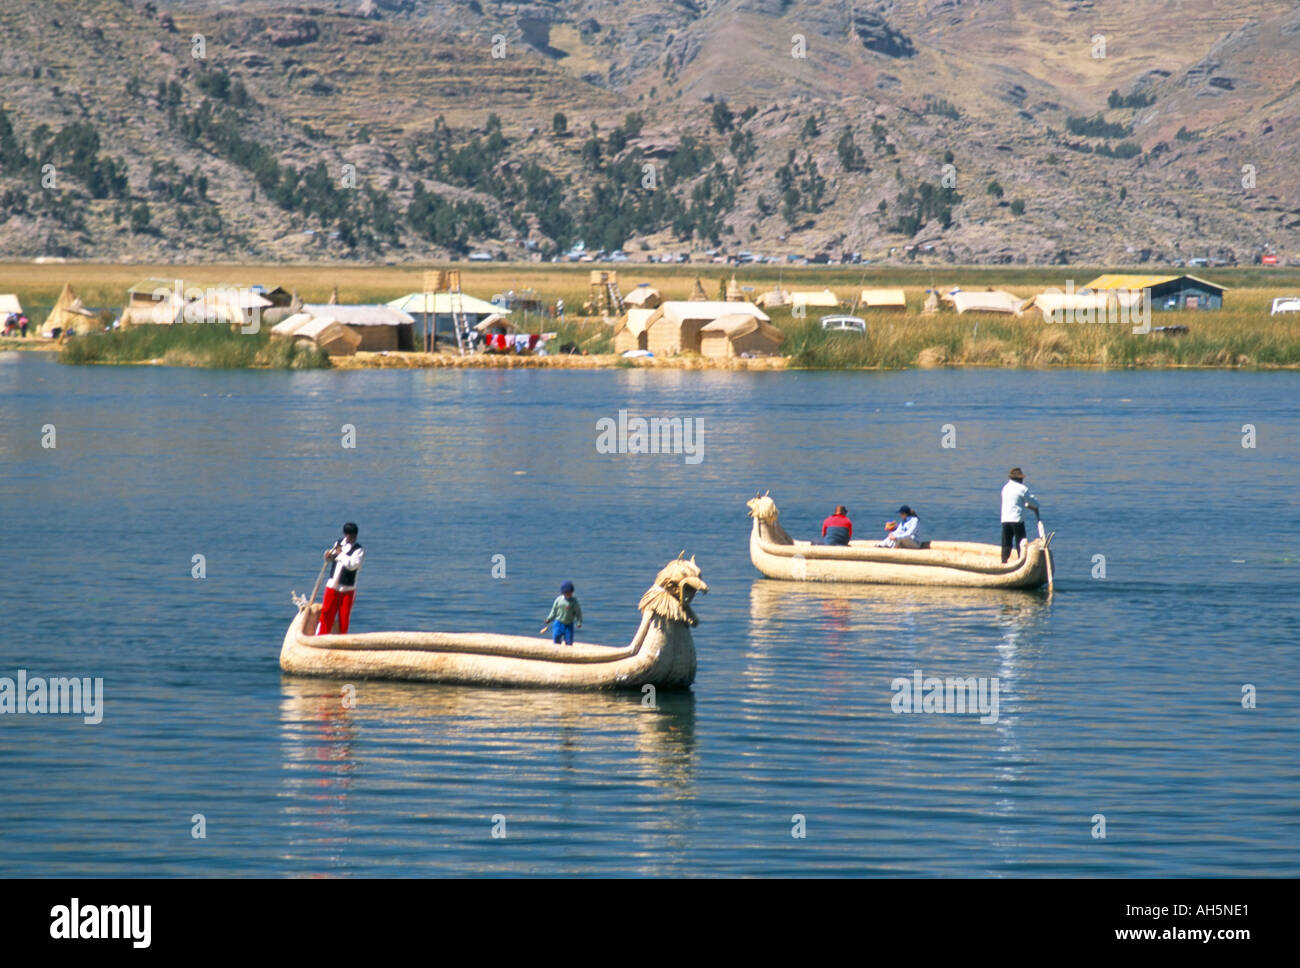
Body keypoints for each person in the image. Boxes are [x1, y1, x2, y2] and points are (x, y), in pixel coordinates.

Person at [316, 522, 364, 635]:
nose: (351, 538)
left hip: (348, 589)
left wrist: (340, 554)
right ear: (345, 534)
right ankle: (321, 637)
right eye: (349, 535)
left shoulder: (359, 550)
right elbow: (331, 558)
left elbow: (352, 565)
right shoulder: (338, 544)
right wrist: (328, 555)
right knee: (327, 613)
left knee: (344, 617)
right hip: (332, 586)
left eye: (353, 536)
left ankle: (342, 639)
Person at [1000, 467, 1040, 562]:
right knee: (1021, 544)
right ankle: (1021, 562)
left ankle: (1003, 562)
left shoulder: (1005, 488)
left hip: (1005, 520)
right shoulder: (1022, 489)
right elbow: (1035, 503)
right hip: (1017, 521)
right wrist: (1032, 505)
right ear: (1019, 478)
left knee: (1006, 544)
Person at [541, 580, 583, 645]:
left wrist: (579, 622)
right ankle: (557, 649)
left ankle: (568, 650)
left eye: (570, 592)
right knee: (556, 636)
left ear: (572, 592)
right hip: (558, 622)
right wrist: (549, 619)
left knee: (569, 640)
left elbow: (578, 613)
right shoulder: (558, 600)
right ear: (563, 592)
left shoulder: (574, 602)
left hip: (569, 624)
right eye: (566, 592)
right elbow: (554, 611)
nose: (568, 594)